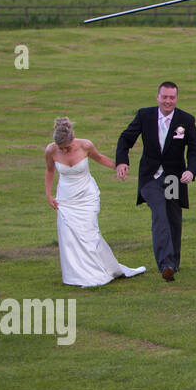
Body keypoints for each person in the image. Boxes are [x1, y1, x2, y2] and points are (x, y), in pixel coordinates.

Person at [115, 82, 196, 283]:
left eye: (172, 97)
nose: (168, 101)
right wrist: (122, 161)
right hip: (150, 177)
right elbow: (125, 139)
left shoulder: (185, 120)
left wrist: (191, 170)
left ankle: (174, 263)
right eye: (164, 97)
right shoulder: (144, 116)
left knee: (173, 218)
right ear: (157, 97)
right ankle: (166, 265)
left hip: (173, 178)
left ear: (176, 99)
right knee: (160, 213)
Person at [46, 117, 146, 287]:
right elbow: (49, 171)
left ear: (72, 139)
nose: (64, 151)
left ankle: (100, 269)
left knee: (89, 233)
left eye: (67, 147)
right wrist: (49, 195)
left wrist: (118, 166)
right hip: (66, 198)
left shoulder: (85, 145)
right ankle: (78, 273)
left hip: (86, 196)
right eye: (61, 149)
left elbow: (99, 158)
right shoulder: (51, 150)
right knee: (69, 237)